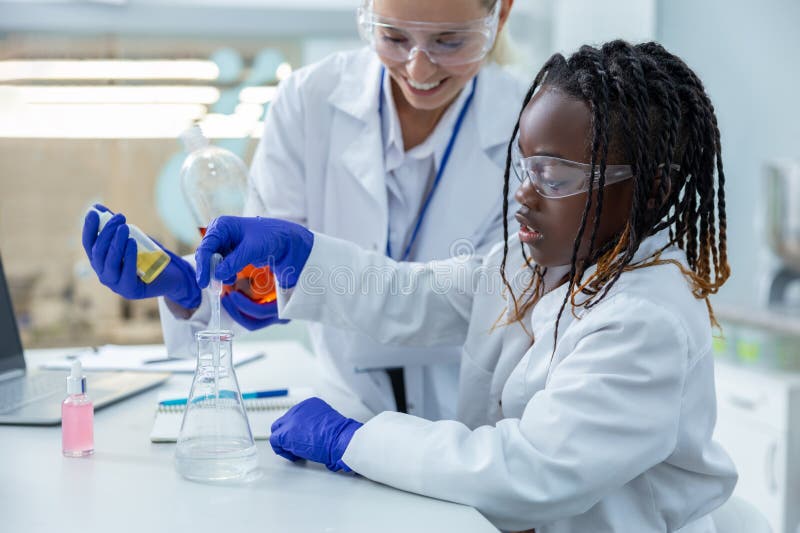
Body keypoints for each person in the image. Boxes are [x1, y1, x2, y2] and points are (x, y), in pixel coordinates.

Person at [194, 41, 738, 532]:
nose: (524, 195)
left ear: (652, 191)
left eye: (555, 177)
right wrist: (302, 256)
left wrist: (352, 441)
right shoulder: (528, 265)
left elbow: (530, 472)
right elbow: (410, 294)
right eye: (525, 167)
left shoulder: (646, 318)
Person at [81, 0, 526, 421]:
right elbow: (258, 283)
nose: (418, 67)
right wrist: (193, 293)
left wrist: (308, 270)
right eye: (393, 37)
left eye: (449, 42)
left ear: (501, 13)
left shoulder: (532, 127)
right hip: (345, 405)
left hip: (471, 423)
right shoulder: (309, 99)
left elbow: (485, 302)